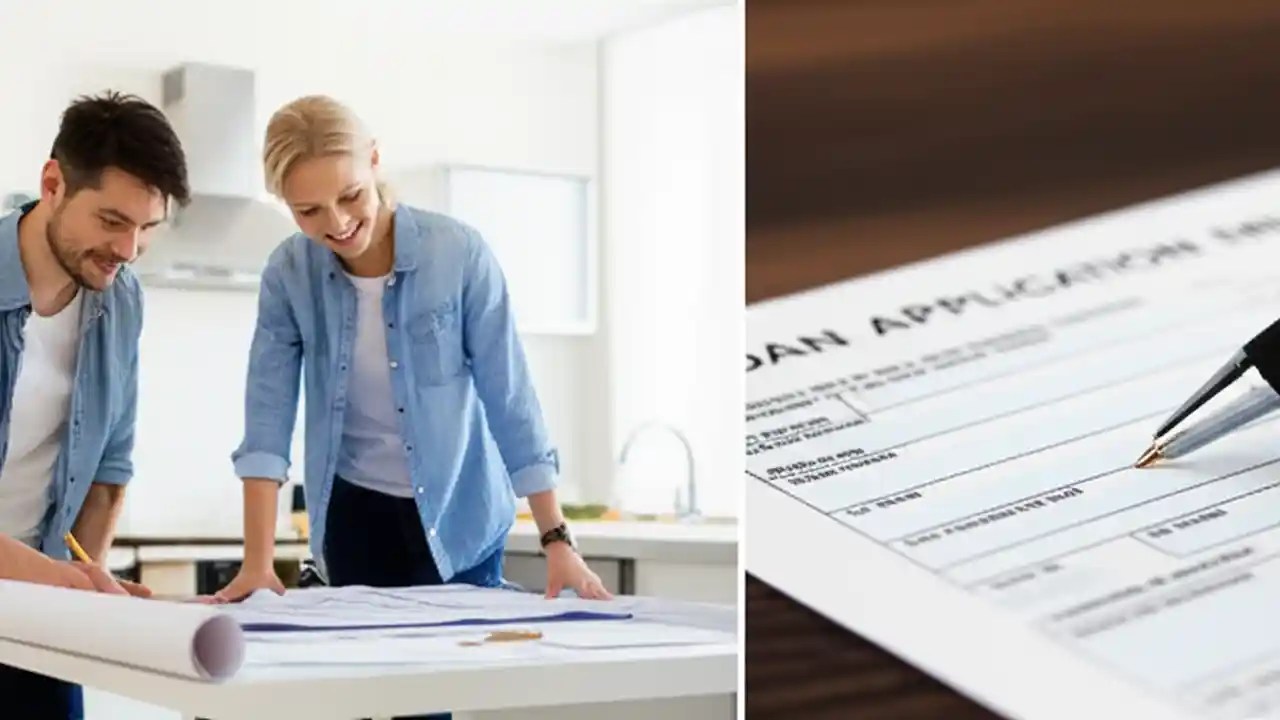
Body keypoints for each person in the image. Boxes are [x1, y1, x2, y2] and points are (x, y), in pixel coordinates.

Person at [214, 94, 609, 717]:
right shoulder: (288, 273)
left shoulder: (458, 254)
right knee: (361, 699)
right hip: (354, 521)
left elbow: (511, 399)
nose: (337, 224)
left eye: (349, 196)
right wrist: (259, 563)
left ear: (374, 161)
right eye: (308, 210)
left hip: (457, 516)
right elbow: (267, 417)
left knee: (428, 705)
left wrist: (556, 537)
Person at [0, 91, 188, 718]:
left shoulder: (121, 302)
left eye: (147, 228)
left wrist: (88, 584)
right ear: (52, 182)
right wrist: (68, 586)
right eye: (112, 221)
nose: (129, 249)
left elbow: (110, 466)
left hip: (40, 620)